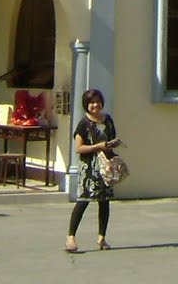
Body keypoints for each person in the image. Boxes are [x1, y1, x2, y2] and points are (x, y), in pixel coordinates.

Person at [65, 88, 120, 252]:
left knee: (104, 202)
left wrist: (112, 145)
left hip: (105, 167)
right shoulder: (83, 124)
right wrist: (98, 146)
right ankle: (70, 237)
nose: (95, 105)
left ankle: (102, 237)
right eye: (91, 102)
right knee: (83, 201)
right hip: (89, 168)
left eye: (97, 101)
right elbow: (79, 148)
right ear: (86, 105)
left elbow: (110, 139)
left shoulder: (108, 120)